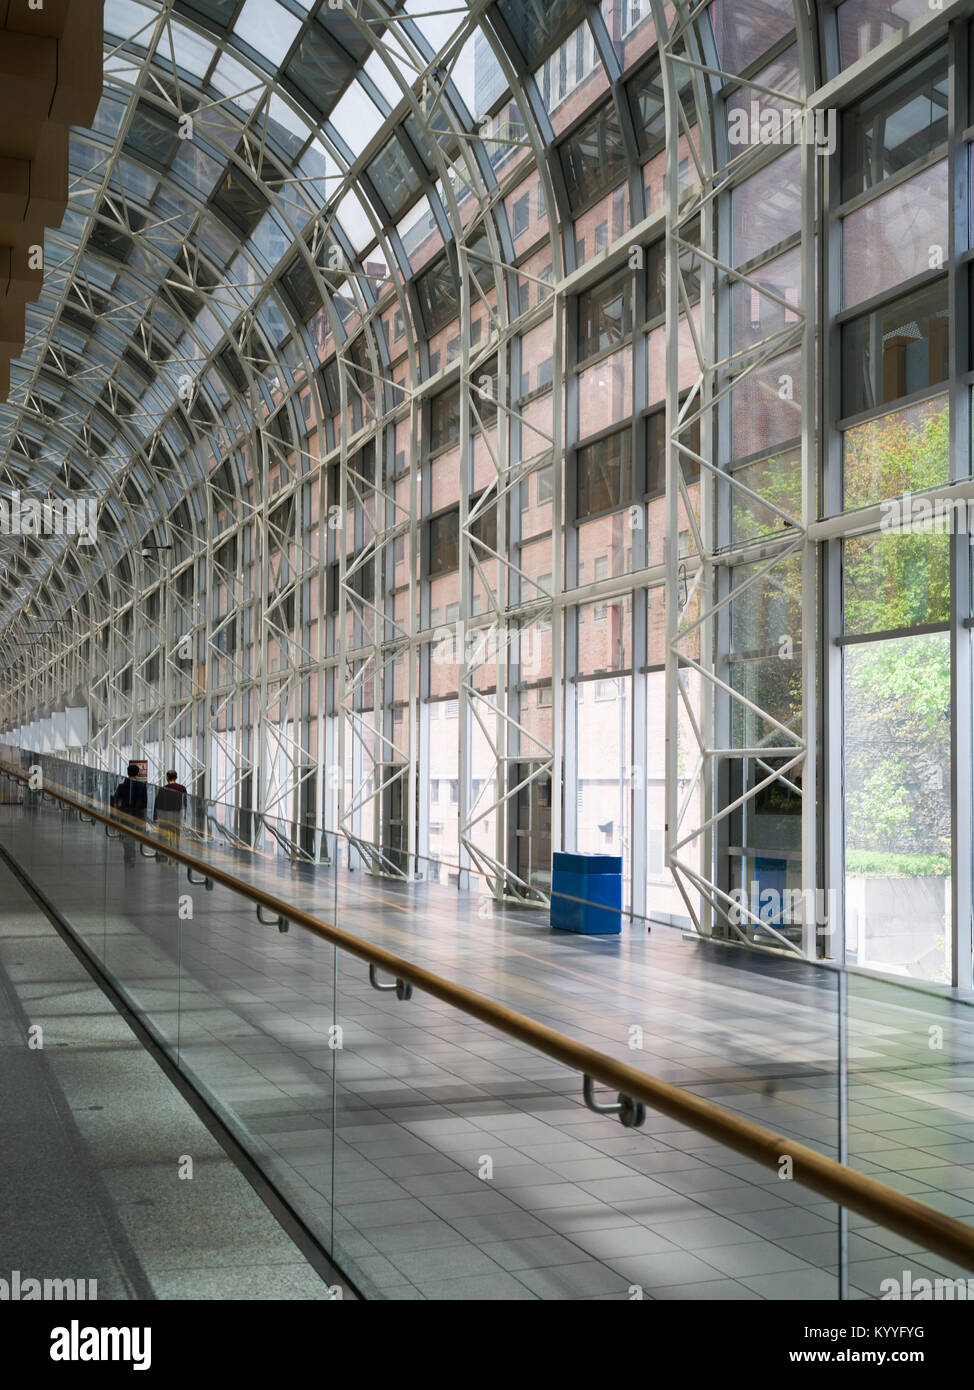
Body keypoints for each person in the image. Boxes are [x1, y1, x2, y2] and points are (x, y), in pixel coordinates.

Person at [112, 763, 148, 867]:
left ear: (128, 773)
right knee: (131, 836)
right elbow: (144, 804)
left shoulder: (121, 786)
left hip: (125, 813)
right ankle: (130, 858)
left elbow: (116, 801)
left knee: (127, 836)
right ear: (137, 773)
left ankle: (129, 857)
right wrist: (144, 820)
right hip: (137, 814)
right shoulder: (142, 786)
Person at [152, 770, 186, 863]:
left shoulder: (163, 789)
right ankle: (176, 854)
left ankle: (163, 855)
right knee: (176, 835)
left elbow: (157, 803)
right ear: (176, 777)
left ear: (167, 778)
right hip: (177, 815)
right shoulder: (182, 788)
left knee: (163, 835)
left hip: (165, 815)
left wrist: (155, 816)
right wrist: (185, 815)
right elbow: (185, 803)